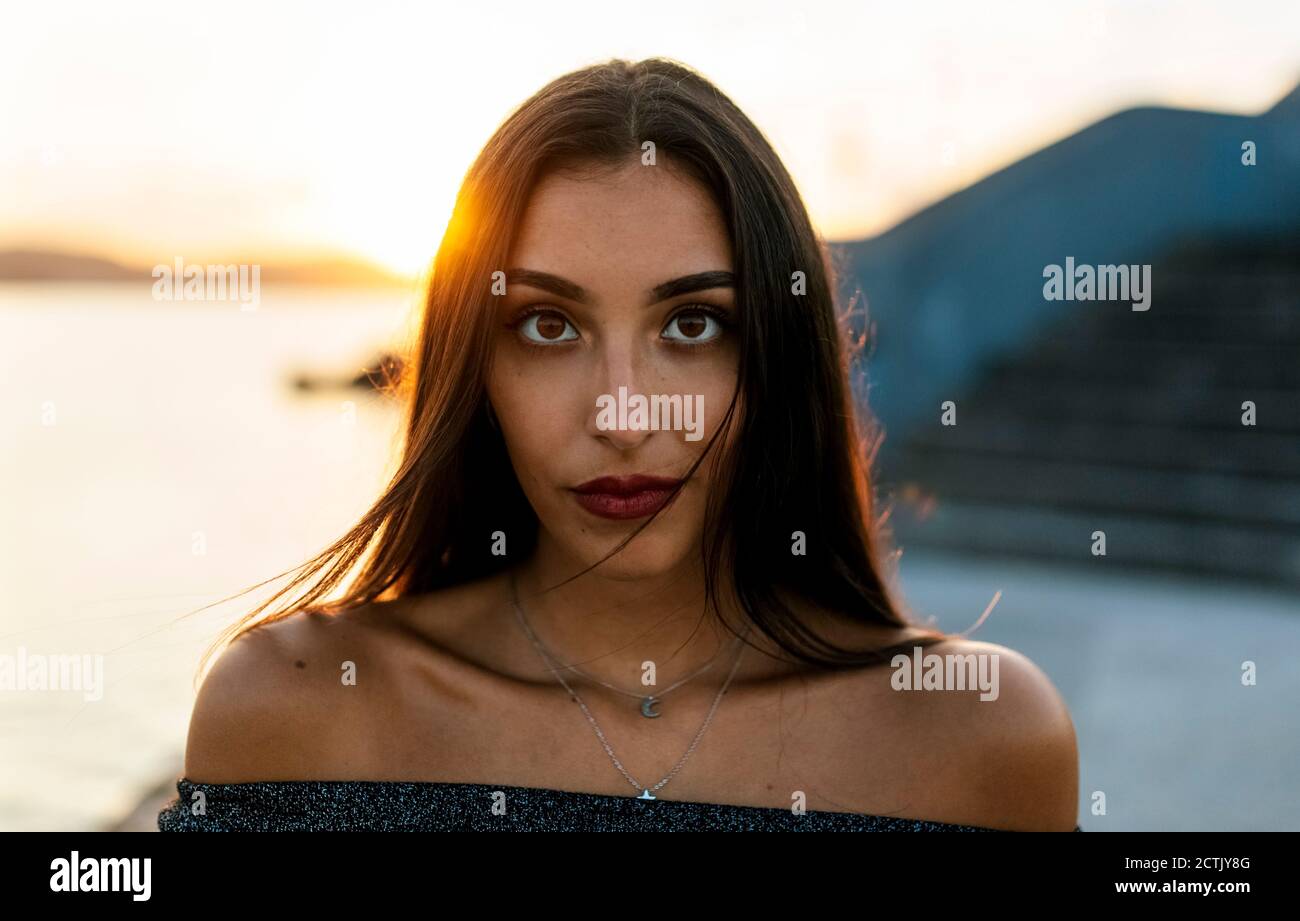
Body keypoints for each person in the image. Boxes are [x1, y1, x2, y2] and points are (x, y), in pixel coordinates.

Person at [159, 57, 1079, 832]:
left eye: (692, 324)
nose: (624, 416)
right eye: (548, 325)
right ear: (472, 364)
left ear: (775, 354)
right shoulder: (295, 709)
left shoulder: (979, 736)